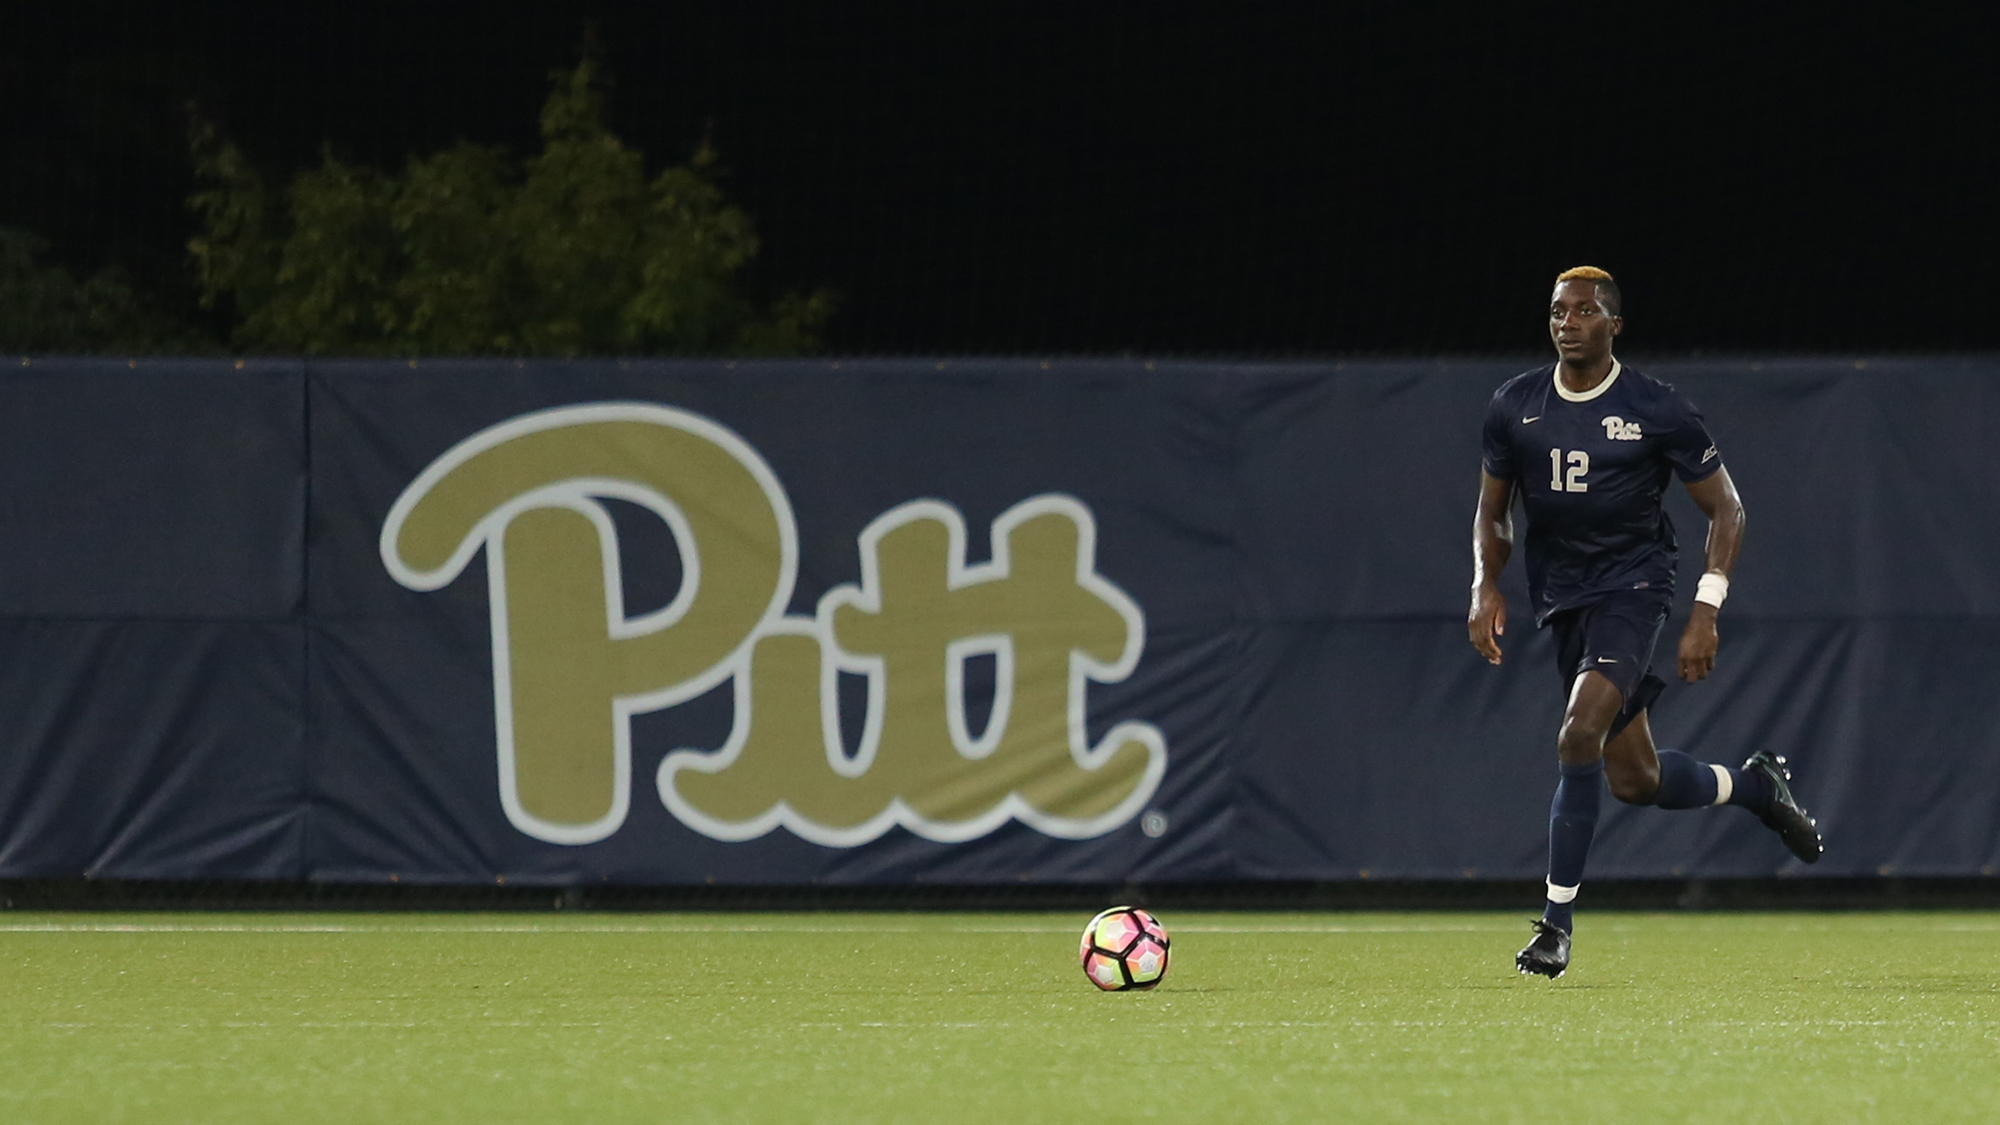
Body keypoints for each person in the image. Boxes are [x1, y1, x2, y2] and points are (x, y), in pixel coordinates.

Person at [1468, 266, 1822, 980]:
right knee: (1635, 778)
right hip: (1562, 598)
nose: (1567, 320)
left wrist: (1706, 609)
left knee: (1577, 731)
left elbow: (1728, 509)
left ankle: (1555, 927)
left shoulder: (1655, 407)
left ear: (1613, 326)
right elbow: (1493, 509)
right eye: (1557, 309)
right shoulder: (1515, 405)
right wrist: (1486, 583)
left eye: (1584, 310)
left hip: (1634, 589)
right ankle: (1755, 786)